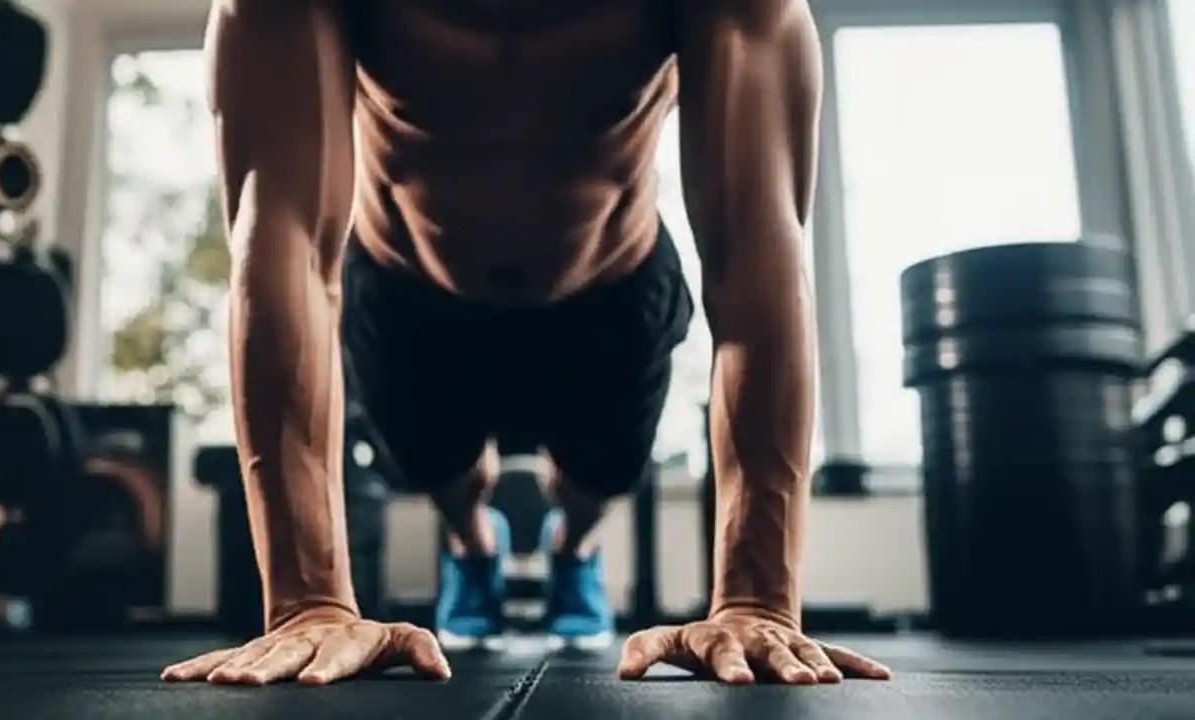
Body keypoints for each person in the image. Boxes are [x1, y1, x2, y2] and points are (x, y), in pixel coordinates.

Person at [162, 0, 892, 686]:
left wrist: (758, 601)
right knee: (444, 473)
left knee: (597, 477)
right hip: (410, 290)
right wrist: (307, 604)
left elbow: (753, 252)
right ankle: (473, 549)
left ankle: (572, 550)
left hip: (610, 285)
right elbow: (282, 239)